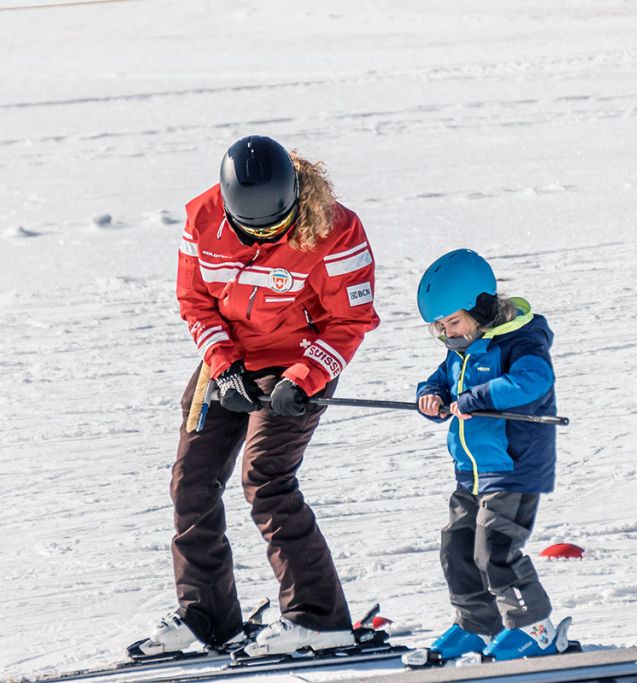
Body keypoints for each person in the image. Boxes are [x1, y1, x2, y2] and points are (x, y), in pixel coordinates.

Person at [134, 135, 379, 658]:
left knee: (266, 478)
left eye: (274, 227)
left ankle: (317, 619)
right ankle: (207, 617)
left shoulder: (337, 229)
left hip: (298, 360)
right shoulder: (202, 218)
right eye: (251, 229)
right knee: (192, 481)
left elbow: (350, 320)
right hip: (231, 361)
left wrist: (304, 379)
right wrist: (223, 368)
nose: (263, 236)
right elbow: (195, 302)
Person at [414, 248, 566, 662]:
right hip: (471, 470)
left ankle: (535, 631)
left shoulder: (520, 341)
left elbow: (533, 380)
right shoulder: (462, 347)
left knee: (494, 551)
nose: (447, 334)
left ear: (481, 306)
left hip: (513, 467)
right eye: (439, 327)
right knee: (457, 548)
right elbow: (441, 380)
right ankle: (478, 626)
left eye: (453, 322)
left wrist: (476, 398)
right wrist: (431, 396)